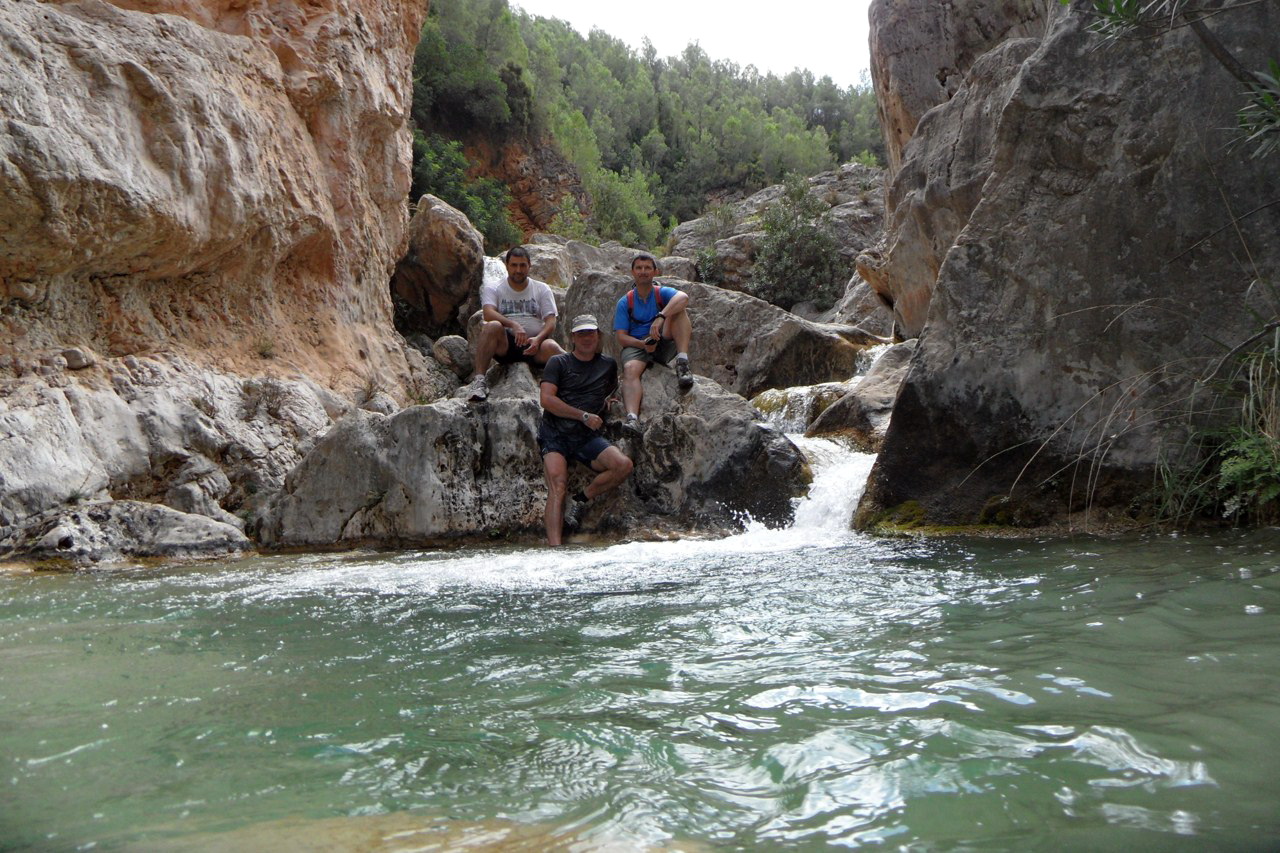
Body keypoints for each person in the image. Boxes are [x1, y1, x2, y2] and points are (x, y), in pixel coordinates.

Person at [538, 314, 634, 546]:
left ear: (598, 335)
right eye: (581, 333)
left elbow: (608, 391)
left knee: (623, 466)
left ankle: (582, 499)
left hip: (586, 437)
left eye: (590, 333)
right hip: (556, 434)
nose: (586, 338)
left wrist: (605, 404)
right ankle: (555, 547)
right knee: (558, 485)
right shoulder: (558, 363)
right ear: (572, 337)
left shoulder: (608, 365)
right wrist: (583, 416)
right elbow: (546, 400)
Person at [466, 246, 564, 402]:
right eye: (514, 265)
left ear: (529, 266)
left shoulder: (541, 289)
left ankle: (579, 379)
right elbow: (488, 313)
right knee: (492, 326)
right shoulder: (494, 287)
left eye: (522, 265)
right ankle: (479, 381)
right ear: (507, 266)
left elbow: (551, 321)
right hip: (506, 345)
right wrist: (513, 325)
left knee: (552, 346)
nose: (518, 270)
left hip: (535, 346)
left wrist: (538, 339)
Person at [612, 252, 693, 436]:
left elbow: (683, 297)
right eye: (639, 268)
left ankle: (682, 362)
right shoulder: (625, 302)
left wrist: (661, 316)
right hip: (638, 346)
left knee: (679, 311)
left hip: (662, 340)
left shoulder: (660, 293)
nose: (643, 272)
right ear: (632, 272)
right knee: (631, 369)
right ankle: (632, 417)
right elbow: (621, 338)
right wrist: (642, 345)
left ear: (655, 272)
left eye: (647, 268)